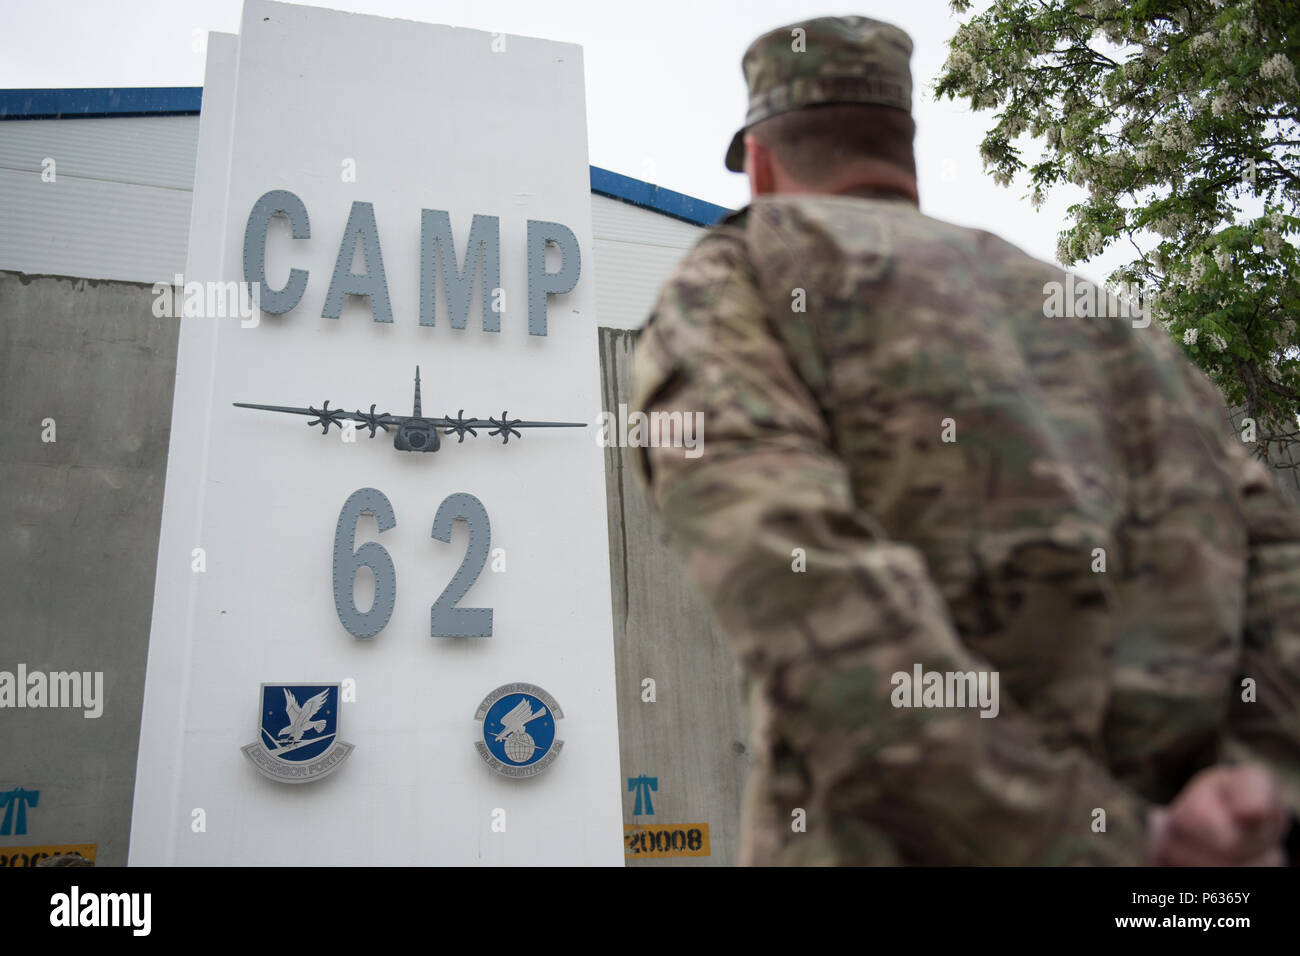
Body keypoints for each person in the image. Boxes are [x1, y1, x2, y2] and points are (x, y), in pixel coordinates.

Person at [629, 15, 1300, 865]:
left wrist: (1088, 835)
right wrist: (1253, 784)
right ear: (903, 154)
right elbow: (1273, 546)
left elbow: (790, 566)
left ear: (761, 162)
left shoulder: (744, 277)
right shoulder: (1090, 313)